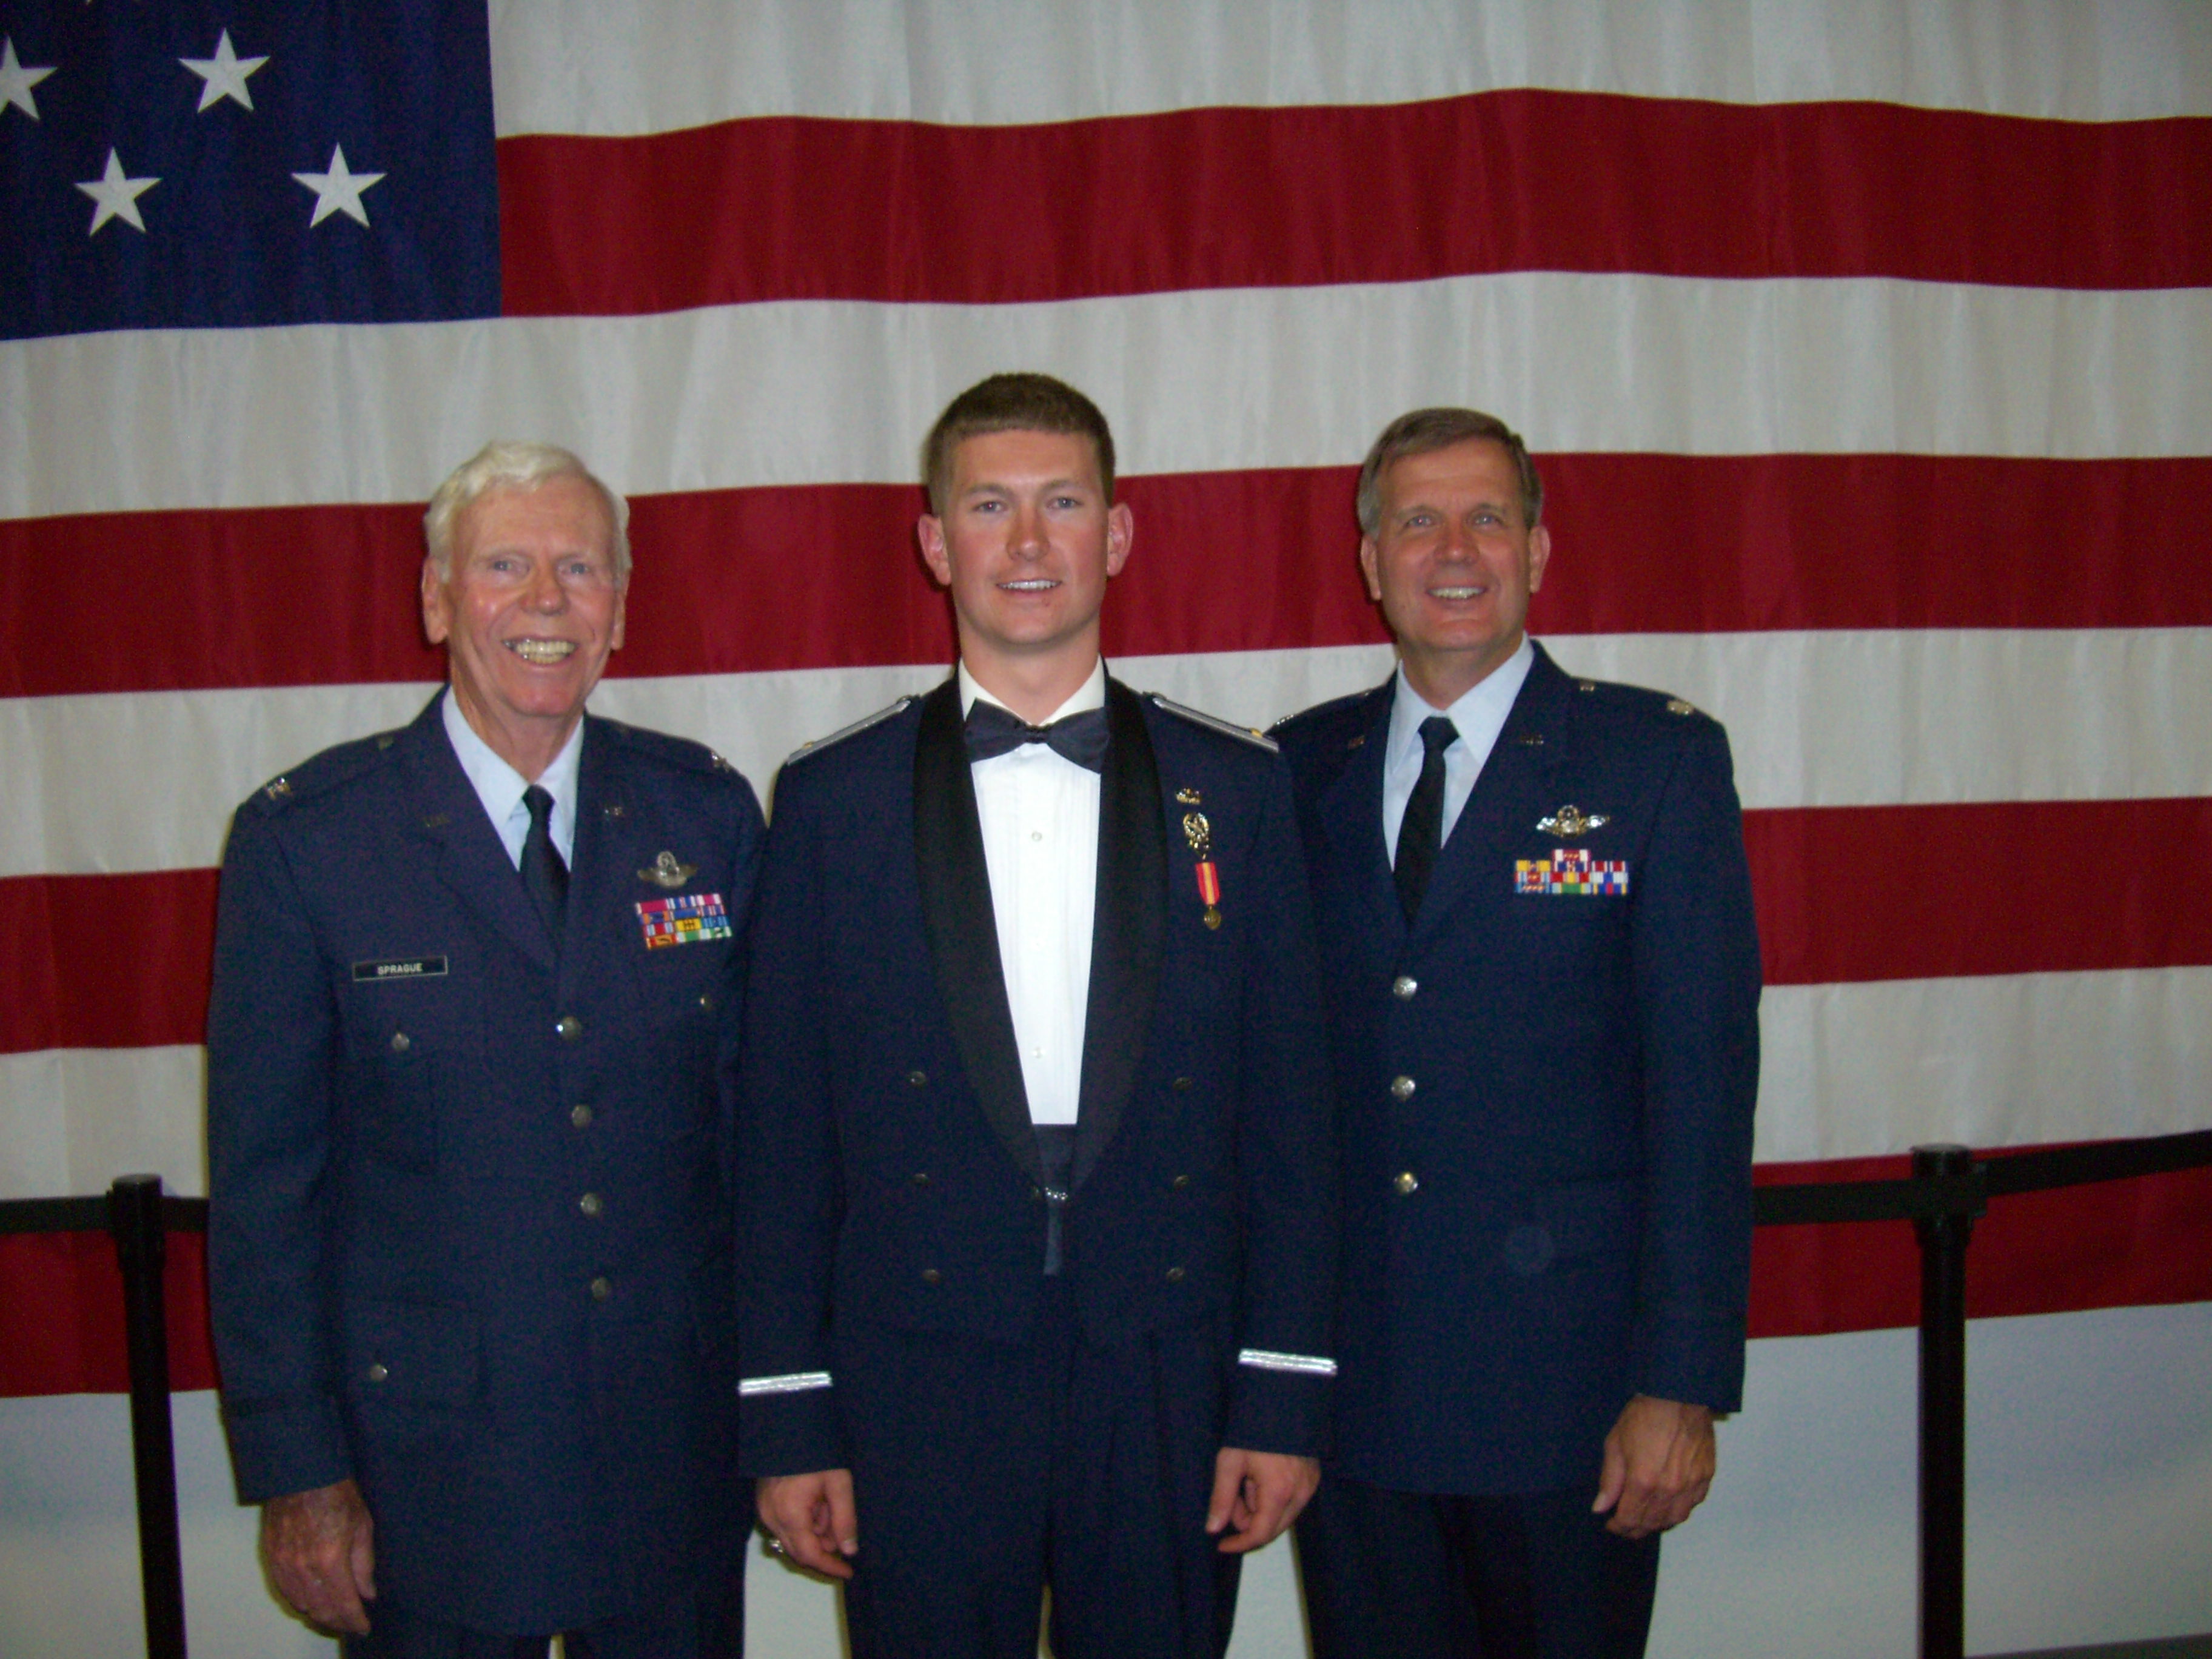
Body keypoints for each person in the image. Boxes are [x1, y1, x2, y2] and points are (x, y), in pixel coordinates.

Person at [737, 372, 1338, 1658]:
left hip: (1168, 1355)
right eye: (991, 506)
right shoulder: (831, 801)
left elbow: (1291, 1116)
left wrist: (1282, 1388)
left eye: (1062, 504)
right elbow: (782, 1135)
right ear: (933, 541)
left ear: (1115, 535)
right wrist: (790, 1410)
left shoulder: (1235, 788)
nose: (1026, 544)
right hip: (918, 1363)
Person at [206, 440, 762, 1657]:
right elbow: (266, 1198)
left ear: (621, 607)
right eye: (505, 564)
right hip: (429, 1484)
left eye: (580, 567)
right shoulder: (309, 844)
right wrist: (300, 1473)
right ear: (436, 597)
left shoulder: (707, 818)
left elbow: (757, 1153)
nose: (547, 602)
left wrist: (789, 1418)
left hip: (668, 1466)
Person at [1275, 408, 1761, 1658]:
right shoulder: (1290, 769)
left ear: (1538, 550)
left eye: (1488, 516)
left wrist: (1682, 1380)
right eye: (1417, 519)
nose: (1454, 548)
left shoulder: (1653, 761)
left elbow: (1703, 1090)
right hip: (1357, 1393)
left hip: (1573, 1398)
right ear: (1370, 559)